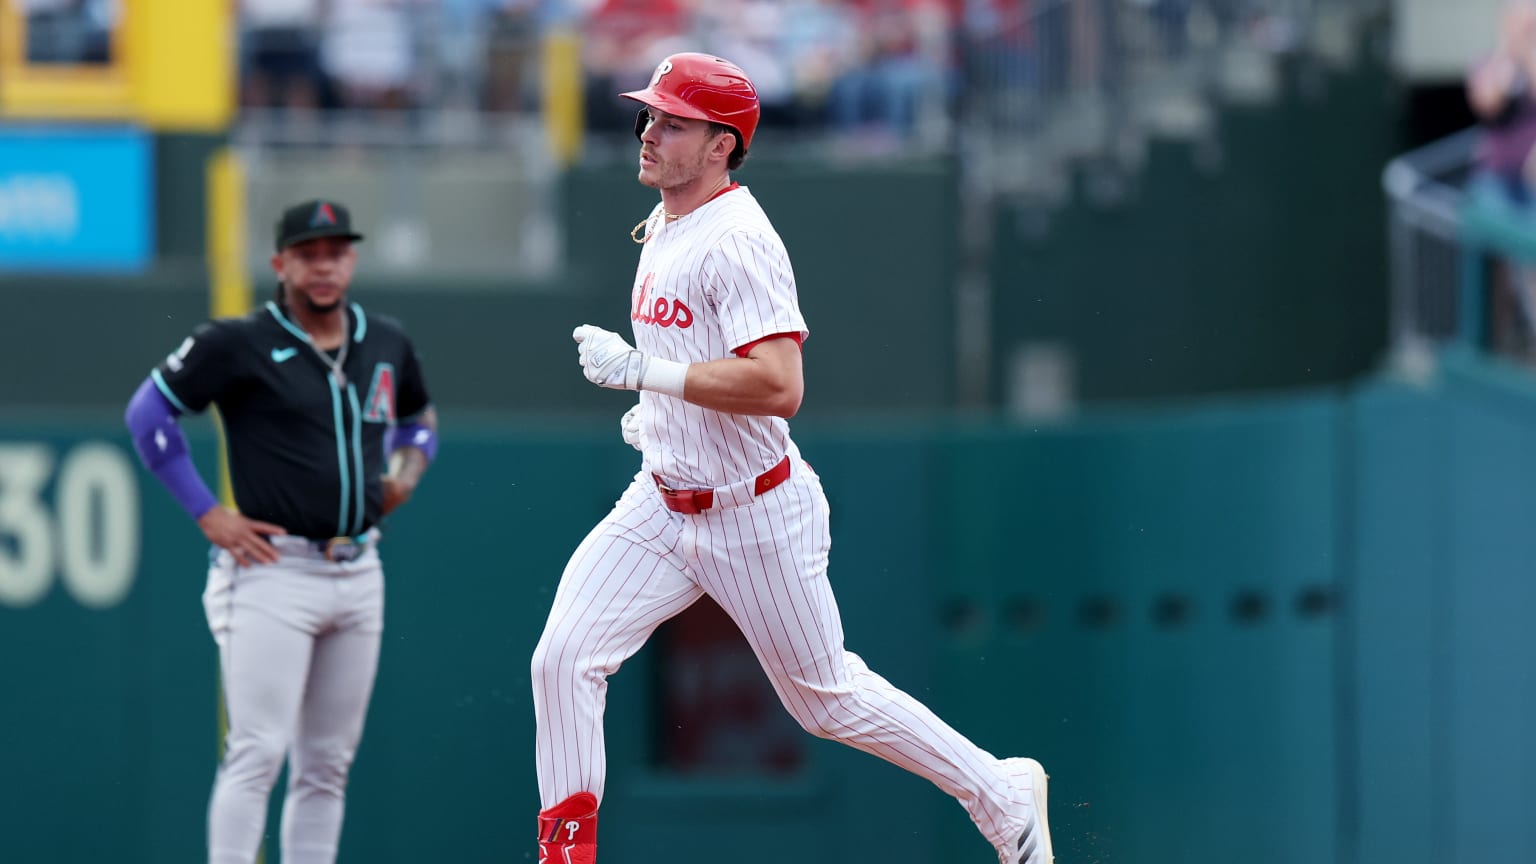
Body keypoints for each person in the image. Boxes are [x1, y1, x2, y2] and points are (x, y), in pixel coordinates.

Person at [533, 52, 1053, 864]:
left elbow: (780, 385)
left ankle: (999, 793)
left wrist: (646, 373)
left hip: (752, 512)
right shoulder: (669, 218)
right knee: (563, 659)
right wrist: (660, 416)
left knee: (826, 701)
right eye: (649, 115)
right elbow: (702, 358)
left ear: (722, 145)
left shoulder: (739, 240)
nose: (649, 132)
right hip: (661, 502)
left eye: (673, 122)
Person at [123, 199, 438, 864]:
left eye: (335, 252)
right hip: (275, 569)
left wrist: (406, 473)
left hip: (359, 569)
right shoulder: (237, 342)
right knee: (257, 751)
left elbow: (418, 418)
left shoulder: (385, 340)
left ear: (351, 259)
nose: (323, 266)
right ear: (280, 263)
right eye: (307, 254)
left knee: (328, 763)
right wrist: (207, 512)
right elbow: (148, 414)